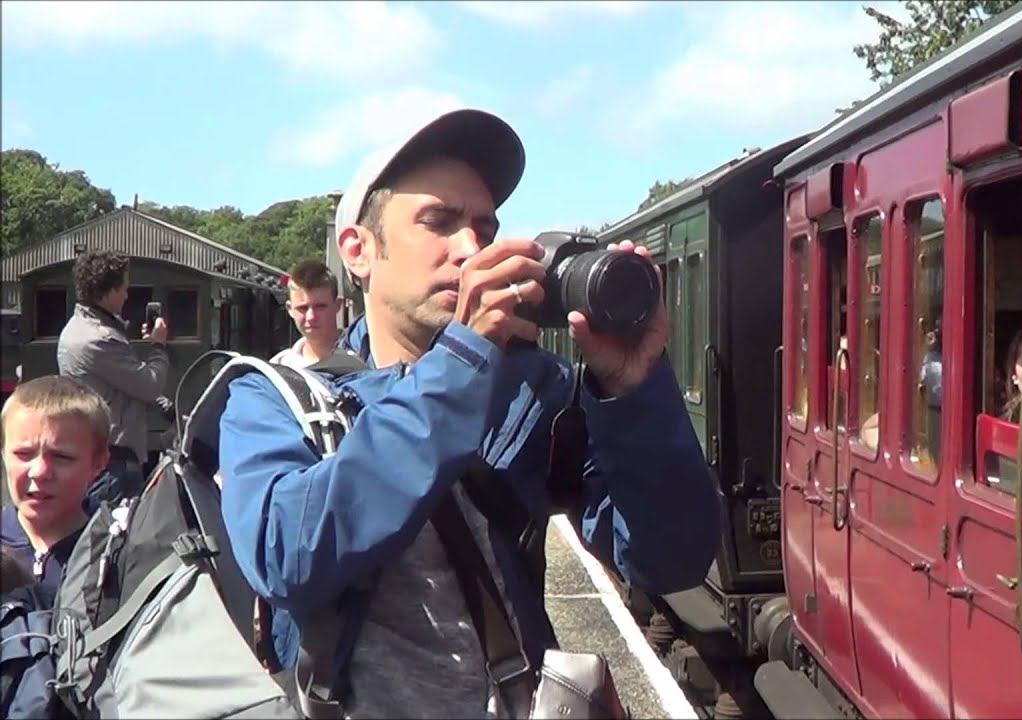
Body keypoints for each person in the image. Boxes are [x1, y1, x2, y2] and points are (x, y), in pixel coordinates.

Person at [216, 108, 721, 718]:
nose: (469, 248)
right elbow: (287, 558)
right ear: (359, 250)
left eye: (484, 226)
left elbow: (671, 558)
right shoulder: (275, 398)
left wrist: (634, 389)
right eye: (440, 221)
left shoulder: (531, 388)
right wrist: (461, 362)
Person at [56, 249, 170, 505]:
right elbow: (149, 386)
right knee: (115, 539)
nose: (127, 295)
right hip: (114, 463)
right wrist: (159, 346)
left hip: (100, 453)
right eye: (124, 288)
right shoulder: (100, 339)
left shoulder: (80, 329)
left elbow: (121, 381)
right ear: (107, 291)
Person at [0, 376, 111, 594]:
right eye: (23, 454)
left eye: (61, 457)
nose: (39, 472)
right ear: (3, 453)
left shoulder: (116, 554)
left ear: (98, 464)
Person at [270, 259, 343, 369]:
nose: (311, 317)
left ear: (338, 305)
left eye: (320, 307)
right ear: (290, 309)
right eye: (302, 308)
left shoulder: (365, 356)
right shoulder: (278, 368)